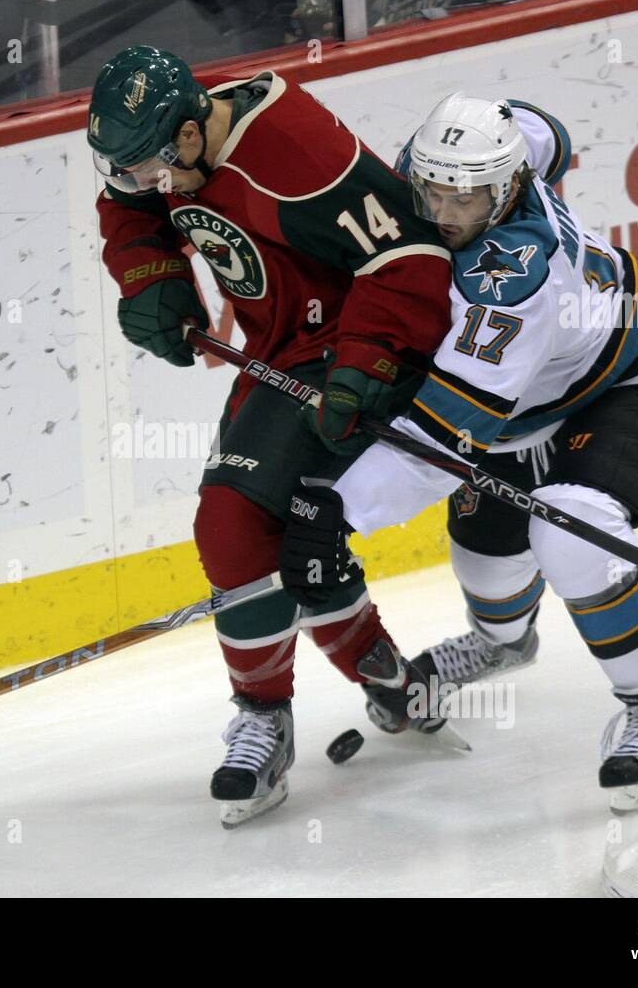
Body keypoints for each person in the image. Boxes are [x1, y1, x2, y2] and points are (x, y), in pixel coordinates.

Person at [280, 92, 638, 813]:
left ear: (504, 192)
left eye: (466, 200)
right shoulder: (480, 158)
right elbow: (548, 129)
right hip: (517, 411)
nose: (444, 212)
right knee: (486, 568)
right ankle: (505, 643)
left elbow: (438, 441)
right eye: (433, 190)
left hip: (623, 383)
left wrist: (339, 511)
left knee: (568, 527)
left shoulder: (514, 281)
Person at [88, 45, 454, 826]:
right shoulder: (164, 150)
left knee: (236, 520)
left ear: (191, 134)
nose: (149, 186)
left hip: (360, 346)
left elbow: (412, 252)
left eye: (155, 167)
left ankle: (266, 713)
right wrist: (153, 277)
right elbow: (129, 208)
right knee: (275, 531)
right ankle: (377, 676)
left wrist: (368, 361)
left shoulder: (295, 150)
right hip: (282, 354)